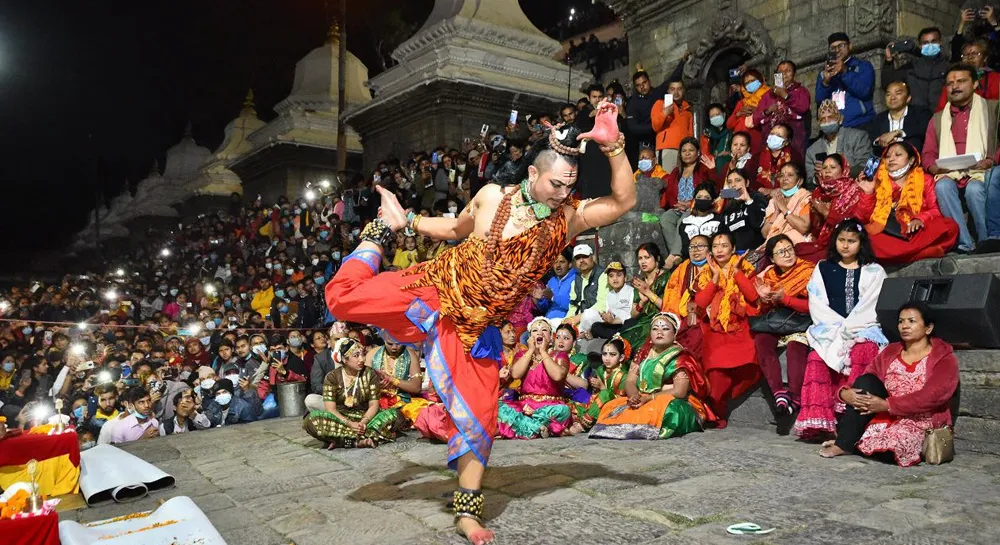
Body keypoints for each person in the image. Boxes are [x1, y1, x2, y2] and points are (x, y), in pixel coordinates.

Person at [323, 100, 635, 545]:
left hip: (476, 329)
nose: (563, 192)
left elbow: (625, 200)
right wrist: (405, 220)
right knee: (340, 298)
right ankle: (375, 235)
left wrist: (614, 146)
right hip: (434, 287)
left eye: (570, 185)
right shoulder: (492, 196)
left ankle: (467, 510)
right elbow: (454, 229)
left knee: (481, 418)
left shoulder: (566, 221)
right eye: (555, 183)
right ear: (532, 174)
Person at [820, 302, 959, 466]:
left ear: (928, 328)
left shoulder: (943, 357)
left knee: (890, 449)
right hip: (887, 415)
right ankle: (844, 444)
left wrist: (888, 405)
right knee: (866, 381)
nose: (904, 326)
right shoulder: (891, 351)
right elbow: (867, 380)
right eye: (901, 321)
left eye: (911, 321)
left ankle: (851, 441)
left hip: (921, 420)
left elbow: (933, 396)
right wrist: (844, 394)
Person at [794, 219, 888, 439]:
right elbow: (816, 301)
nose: (846, 246)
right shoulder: (823, 268)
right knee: (817, 358)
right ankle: (820, 423)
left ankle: (853, 416)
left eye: (852, 241)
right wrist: (838, 327)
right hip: (828, 326)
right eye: (841, 240)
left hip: (864, 326)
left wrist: (851, 327)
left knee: (863, 349)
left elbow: (872, 304)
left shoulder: (874, 271)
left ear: (861, 243)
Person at [590, 312, 715, 439]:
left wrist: (649, 398)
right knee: (611, 407)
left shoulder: (680, 357)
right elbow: (630, 381)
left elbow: (680, 391)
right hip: (643, 397)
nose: (659, 332)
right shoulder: (643, 353)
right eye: (655, 329)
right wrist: (634, 396)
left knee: (667, 411)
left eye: (665, 329)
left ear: (674, 334)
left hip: (672, 400)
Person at [924, 64, 997, 253]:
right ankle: (965, 243)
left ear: (974, 84)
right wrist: (935, 168)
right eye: (950, 84)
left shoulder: (993, 108)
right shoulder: (938, 118)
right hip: (950, 172)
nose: (954, 86)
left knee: (974, 189)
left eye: (961, 81)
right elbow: (928, 154)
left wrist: (992, 160)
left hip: (983, 170)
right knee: (942, 186)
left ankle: (986, 241)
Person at [745, 235, 813, 434]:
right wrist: (766, 299)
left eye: (789, 249)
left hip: (803, 322)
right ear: (772, 259)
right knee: (761, 340)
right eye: (781, 252)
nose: (787, 254)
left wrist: (786, 299)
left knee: (795, 347)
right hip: (780, 322)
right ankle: (779, 393)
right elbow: (765, 309)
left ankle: (796, 397)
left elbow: (814, 305)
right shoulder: (770, 276)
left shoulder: (808, 271)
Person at [694, 231, 760, 427]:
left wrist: (737, 272)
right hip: (715, 329)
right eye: (715, 246)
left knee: (750, 366)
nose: (719, 250)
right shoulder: (706, 272)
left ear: (732, 248)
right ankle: (716, 410)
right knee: (716, 372)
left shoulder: (746, 268)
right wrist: (715, 278)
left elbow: (752, 296)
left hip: (740, 327)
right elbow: (701, 301)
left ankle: (718, 406)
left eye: (724, 245)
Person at [858, 141, 959, 263]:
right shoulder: (876, 180)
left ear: (911, 160)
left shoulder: (925, 179)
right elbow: (864, 217)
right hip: (888, 232)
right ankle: (922, 254)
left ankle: (901, 257)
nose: (891, 159)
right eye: (888, 156)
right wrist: (868, 193)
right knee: (864, 236)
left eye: (898, 154)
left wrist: (920, 219)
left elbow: (935, 209)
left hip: (915, 232)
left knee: (950, 226)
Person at [302, 338, 398, 448]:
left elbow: (373, 405)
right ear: (344, 359)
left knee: (395, 415)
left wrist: (363, 422)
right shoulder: (332, 377)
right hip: (341, 418)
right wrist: (350, 424)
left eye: (363, 354)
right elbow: (330, 409)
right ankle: (362, 439)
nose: (361, 359)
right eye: (356, 356)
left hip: (366, 417)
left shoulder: (370, 374)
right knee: (311, 421)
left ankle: (342, 440)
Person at [497, 317, 572, 439]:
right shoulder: (522, 355)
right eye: (535, 330)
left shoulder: (559, 355)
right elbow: (515, 374)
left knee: (564, 410)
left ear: (551, 336)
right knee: (500, 407)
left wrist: (543, 352)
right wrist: (531, 350)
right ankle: (538, 428)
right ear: (530, 336)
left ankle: (526, 425)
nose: (539, 333)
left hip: (550, 406)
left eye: (544, 330)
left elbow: (557, 376)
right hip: (524, 406)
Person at [660, 138, 718, 267]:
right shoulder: (676, 171)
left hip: (695, 208)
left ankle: (675, 256)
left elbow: (714, 188)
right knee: (665, 219)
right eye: (684, 151)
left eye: (691, 150)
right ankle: (675, 254)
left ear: (698, 153)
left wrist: (690, 204)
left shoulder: (703, 169)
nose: (687, 153)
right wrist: (676, 204)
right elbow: (670, 193)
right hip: (677, 207)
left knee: (684, 221)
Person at [798, 153, 863, 262]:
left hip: (844, 243)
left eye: (832, 167)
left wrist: (826, 213)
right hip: (820, 241)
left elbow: (852, 225)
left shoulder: (853, 190)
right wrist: (817, 214)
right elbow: (816, 228)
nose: (827, 171)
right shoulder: (818, 192)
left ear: (843, 170)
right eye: (824, 168)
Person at [661, 234, 711, 358]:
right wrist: (672, 319)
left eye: (700, 246)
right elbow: (671, 296)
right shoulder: (682, 269)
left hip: (706, 316)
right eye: (692, 247)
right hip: (682, 316)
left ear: (710, 249)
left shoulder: (715, 267)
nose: (695, 250)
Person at [569, 335, 630, 432]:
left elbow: (620, 400)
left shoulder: (624, 376)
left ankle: (583, 424)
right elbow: (595, 395)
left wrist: (601, 387)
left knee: (604, 394)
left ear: (621, 357)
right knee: (571, 404)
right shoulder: (601, 370)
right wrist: (596, 387)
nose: (607, 358)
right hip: (598, 406)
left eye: (612, 354)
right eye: (604, 354)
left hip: (616, 409)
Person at [816, 32, 876, 129]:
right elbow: (819, 101)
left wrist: (845, 72)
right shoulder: (825, 72)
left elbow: (865, 92)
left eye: (841, 45)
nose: (837, 50)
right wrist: (826, 82)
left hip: (861, 123)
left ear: (850, 46)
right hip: (835, 126)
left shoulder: (862, 66)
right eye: (833, 48)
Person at [618, 243, 671, 353]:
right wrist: (642, 302)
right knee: (617, 344)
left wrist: (648, 292)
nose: (643, 261)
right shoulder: (639, 282)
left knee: (637, 347)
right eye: (640, 258)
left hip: (660, 321)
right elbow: (633, 314)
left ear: (657, 259)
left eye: (647, 257)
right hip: (641, 323)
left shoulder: (668, 278)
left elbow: (668, 307)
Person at [751, 60, 811, 155]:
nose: (784, 74)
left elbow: (803, 108)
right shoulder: (768, 95)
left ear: (794, 73)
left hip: (794, 140)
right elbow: (755, 119)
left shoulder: (801, 91)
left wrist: (786, 96)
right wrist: (767, 111)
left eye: (788, 71)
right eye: (780, 72)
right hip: (770, 142)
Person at [805, 100, 872, 185]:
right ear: (818, 123)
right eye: (823, 119)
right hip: (826, 195)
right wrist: (819, 176)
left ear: (840, 119)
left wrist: (839, 172)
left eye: (831, 117)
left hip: (855, 189)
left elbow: (866, 166)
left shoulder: (857, 137)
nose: (827, 122)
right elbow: (810, 181)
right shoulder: (812, 150)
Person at [883, 27, 950, 110]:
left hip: (942, 116)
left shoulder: (948, 68)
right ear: (920, 45)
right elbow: (888, 85)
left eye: (933, 41)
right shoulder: (910, 68)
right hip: (916, 117)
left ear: (940, 42)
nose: (930, 45)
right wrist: (888, 61)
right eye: (925, 43)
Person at [866, 81, 931, 155]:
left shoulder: (920, 113)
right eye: (888, 94)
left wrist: (897, 133)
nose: (892, 97)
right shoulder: (877, 119)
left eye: (898, 93)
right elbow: (873, 142)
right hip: (886, 162)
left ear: (908, 98)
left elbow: (922, 130)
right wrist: (883, 142)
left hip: (914, 161)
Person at [937, 38, 1000, 110]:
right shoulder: (953, 78)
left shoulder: (995, 78)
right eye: (966, 55)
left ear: (984, 58)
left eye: (975, 54)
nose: (970, 57)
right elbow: (941, 107)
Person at [579, 261, 634, 340]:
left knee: (629, 325)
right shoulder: (609, 295)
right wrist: (606, 318)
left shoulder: (631, 291)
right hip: (613, 325)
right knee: (596, 326)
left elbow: (631, 315)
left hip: (625, 325)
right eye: (611, 276)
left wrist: (615, 321)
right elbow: (610, 314)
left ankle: (615, 338)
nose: (615, 279)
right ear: (608, 279)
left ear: (625, 278)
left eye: (619, 275)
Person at [762, 163, 813, 247]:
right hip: (775, 247)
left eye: (790, 175)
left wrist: (784, 208)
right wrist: (777, 212)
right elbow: (764, 233)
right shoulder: (775, 200)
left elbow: (803, 228)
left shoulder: (805, 198)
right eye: (782, 175)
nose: (784, 178)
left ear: (800, 181)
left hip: (798, 246)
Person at [718, 168, 767, 254]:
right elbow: (722, 233)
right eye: (730, 182)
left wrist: (748, 201)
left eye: (737, 180)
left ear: (747, 183)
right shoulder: (728, 207)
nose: (733, 185)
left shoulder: (756, 197)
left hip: (755, 252)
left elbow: (759, 224)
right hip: (733, 255)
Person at [650, 78, 694, 173]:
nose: (676, 92)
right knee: (667, 181)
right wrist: (664, 113)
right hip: (667, 149)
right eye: (673, 89)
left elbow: (690, 133)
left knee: (682, 181)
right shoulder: (660, 104)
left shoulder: (688, 111)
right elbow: (655, 126)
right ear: (668, 91)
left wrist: (690, 149)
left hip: (684, 151)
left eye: (679, 89)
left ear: (684, 90)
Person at [563, 244, 608, 327]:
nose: (581, 260)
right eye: (578, 258)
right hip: (578, 321)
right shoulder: (576, 281)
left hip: (597, 319)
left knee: (589, 315)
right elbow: (573, 307)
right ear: (575, 262)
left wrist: (578, 317)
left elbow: (603, 305)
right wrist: (567, 320)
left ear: (593, 257)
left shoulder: (603, 275)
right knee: (554, 323)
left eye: (585, 256)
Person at [727, 69, 770, 155]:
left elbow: (772, 118)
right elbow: (729, 125)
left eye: (753, 80)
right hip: (739, 144)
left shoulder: (768, 97)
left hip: (758, 141)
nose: (750, 84)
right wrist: (738, 114)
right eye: (747, 83)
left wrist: (756, 111)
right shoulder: (742, 102)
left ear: (760, 80)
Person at [756, 123, 802, 197]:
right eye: (772, 133)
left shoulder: (795, 156)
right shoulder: (757, 156)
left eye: (779, 136)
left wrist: (779, 191)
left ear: (786, 142)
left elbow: (798, 178)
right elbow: (750, 178)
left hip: (788, 196)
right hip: (760, 197)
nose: (773, 137)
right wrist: (761, 189)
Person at [534, 248, 577, 321]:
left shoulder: (576, 279)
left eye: (562, 262)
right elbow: (545, 309)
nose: (558, 265)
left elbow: (574, 305)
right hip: (549, 320)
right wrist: (540, 300)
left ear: (570, 264)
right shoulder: (552, 281)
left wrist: (553, 297)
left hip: (567, 320)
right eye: (555, 262)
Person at [700, 103, 734, 176]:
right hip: (712, 166)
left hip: (729, 166)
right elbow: (705, 154)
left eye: (718, 114)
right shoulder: (707, 133)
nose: (715, 117)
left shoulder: (732, 131)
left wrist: (729, 153)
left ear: (724, 114)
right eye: (712, 116)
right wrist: (717, 156)